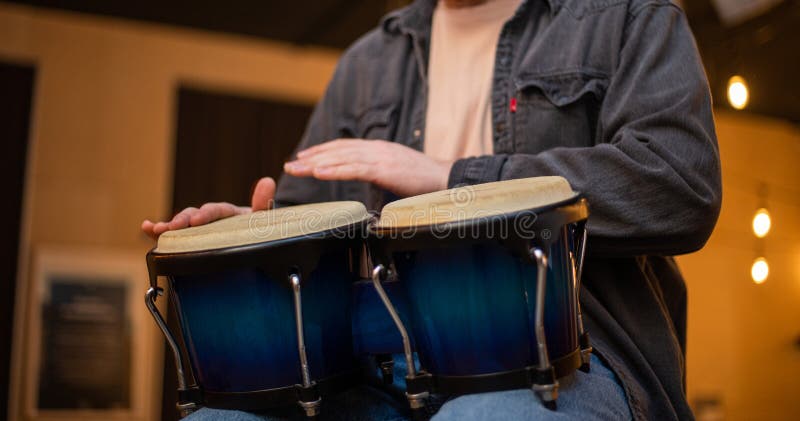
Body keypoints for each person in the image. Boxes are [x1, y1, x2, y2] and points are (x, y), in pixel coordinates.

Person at [142, 0, 721, 419]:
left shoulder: (629, 15)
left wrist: (447, 176)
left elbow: (679, 186)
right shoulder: (366, 62)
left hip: (570, 359)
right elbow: (307, 217)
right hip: (374, 369)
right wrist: (257, 232)